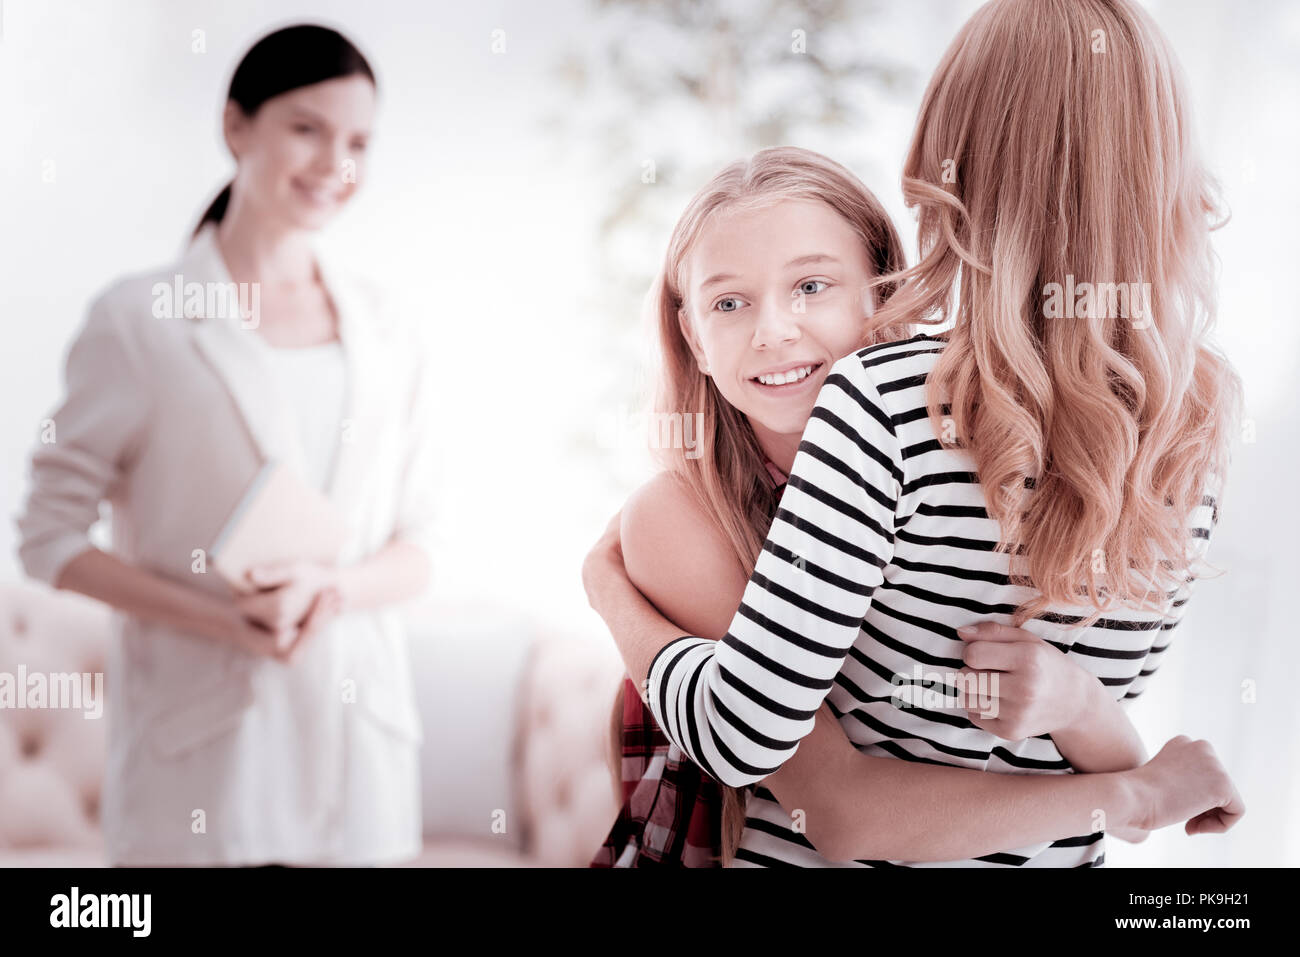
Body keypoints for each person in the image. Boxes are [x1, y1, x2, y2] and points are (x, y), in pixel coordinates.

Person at [585, 0, 1244, 868]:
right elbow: (1110, 759)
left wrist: (609, 594)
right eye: (730, 302)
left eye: (813, 286)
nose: (777, 331)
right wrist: (1108, 754)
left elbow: (753, 742)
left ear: (952, 162)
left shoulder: (887, 401)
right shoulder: (1193, 424)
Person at [17, 24, 437, 867]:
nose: (334, 164)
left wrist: (332, 586)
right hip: (200, 759)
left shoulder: (388, 326)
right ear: (235, 126)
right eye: (307, 129)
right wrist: (224, 618)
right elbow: (46, 539)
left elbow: (420, 545)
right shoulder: (138, 322)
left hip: (360, 747)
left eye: (358, 141)